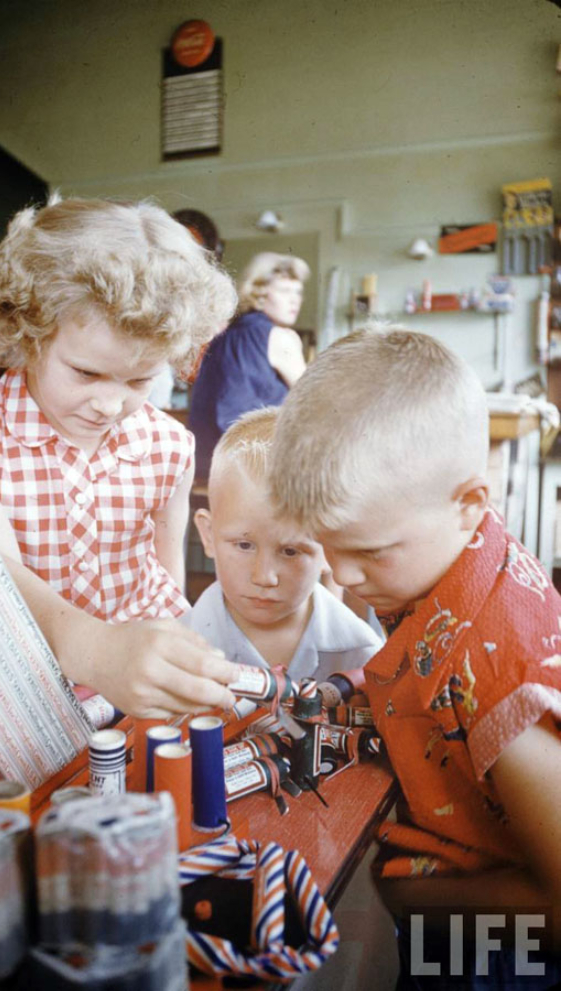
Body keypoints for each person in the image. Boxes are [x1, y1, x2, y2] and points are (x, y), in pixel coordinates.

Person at [269, 326, 561, 987]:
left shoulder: (496, 681)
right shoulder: (449, 545)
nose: (341, 575)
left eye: (369, 552)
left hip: (497, 951)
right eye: (325, 544)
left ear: (469, 503)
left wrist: (413, 900)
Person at [0, 196, 240, 719]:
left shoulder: (171, 445)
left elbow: (166, 578)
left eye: (140, 379)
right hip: (23, 701)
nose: (110, 404)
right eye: (87, 373)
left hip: (139, 699)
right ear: (28, 330)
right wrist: (98, 652)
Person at [183, 406, 382, 680]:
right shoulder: (176, 649)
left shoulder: (363, 654)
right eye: (244, 545)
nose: (264, 577)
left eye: (290, 551)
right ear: (208, 536)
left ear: (332, 551)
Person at [188, 252, 309, 479]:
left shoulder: (224, 335)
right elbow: (314, 399)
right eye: (285, 291)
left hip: (206, 462)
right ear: (260, 294)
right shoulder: (280, 336)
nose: (295, 300)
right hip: (252, 468)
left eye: (298, 292)